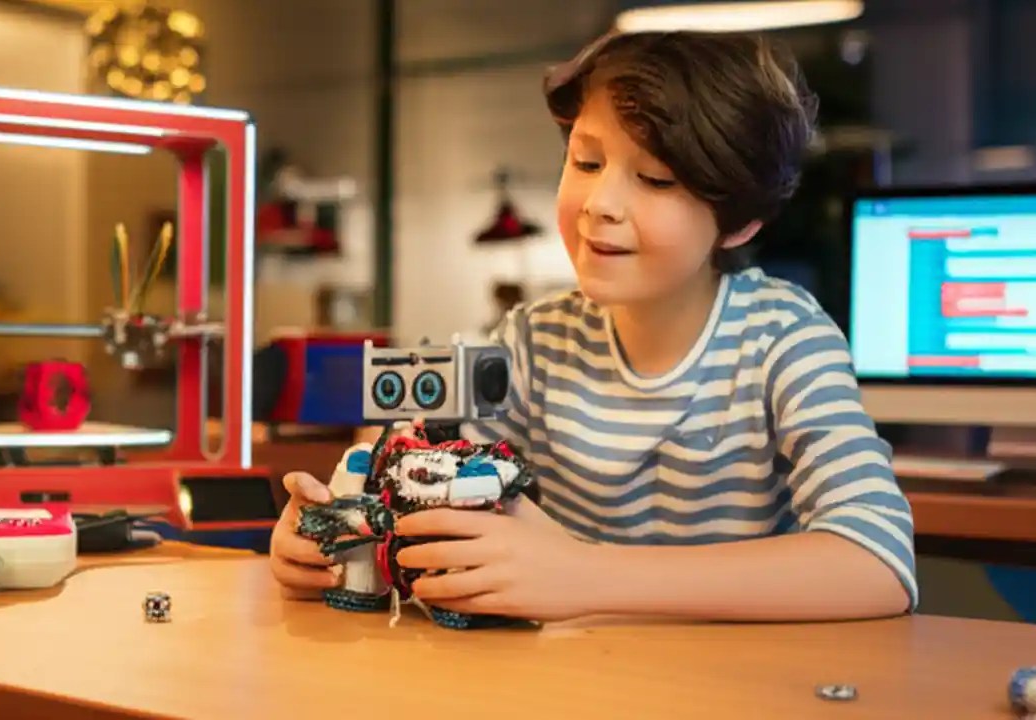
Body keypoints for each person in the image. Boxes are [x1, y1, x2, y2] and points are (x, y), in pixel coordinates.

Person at [270, 29, 916, 623]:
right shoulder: (530, 341)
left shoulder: (784, 340)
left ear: (742, 221)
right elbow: (415, 482)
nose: (601, 204)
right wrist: (337, 535)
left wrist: (588, 574)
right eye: (586, 162)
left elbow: (877, 563)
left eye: (656, 179)